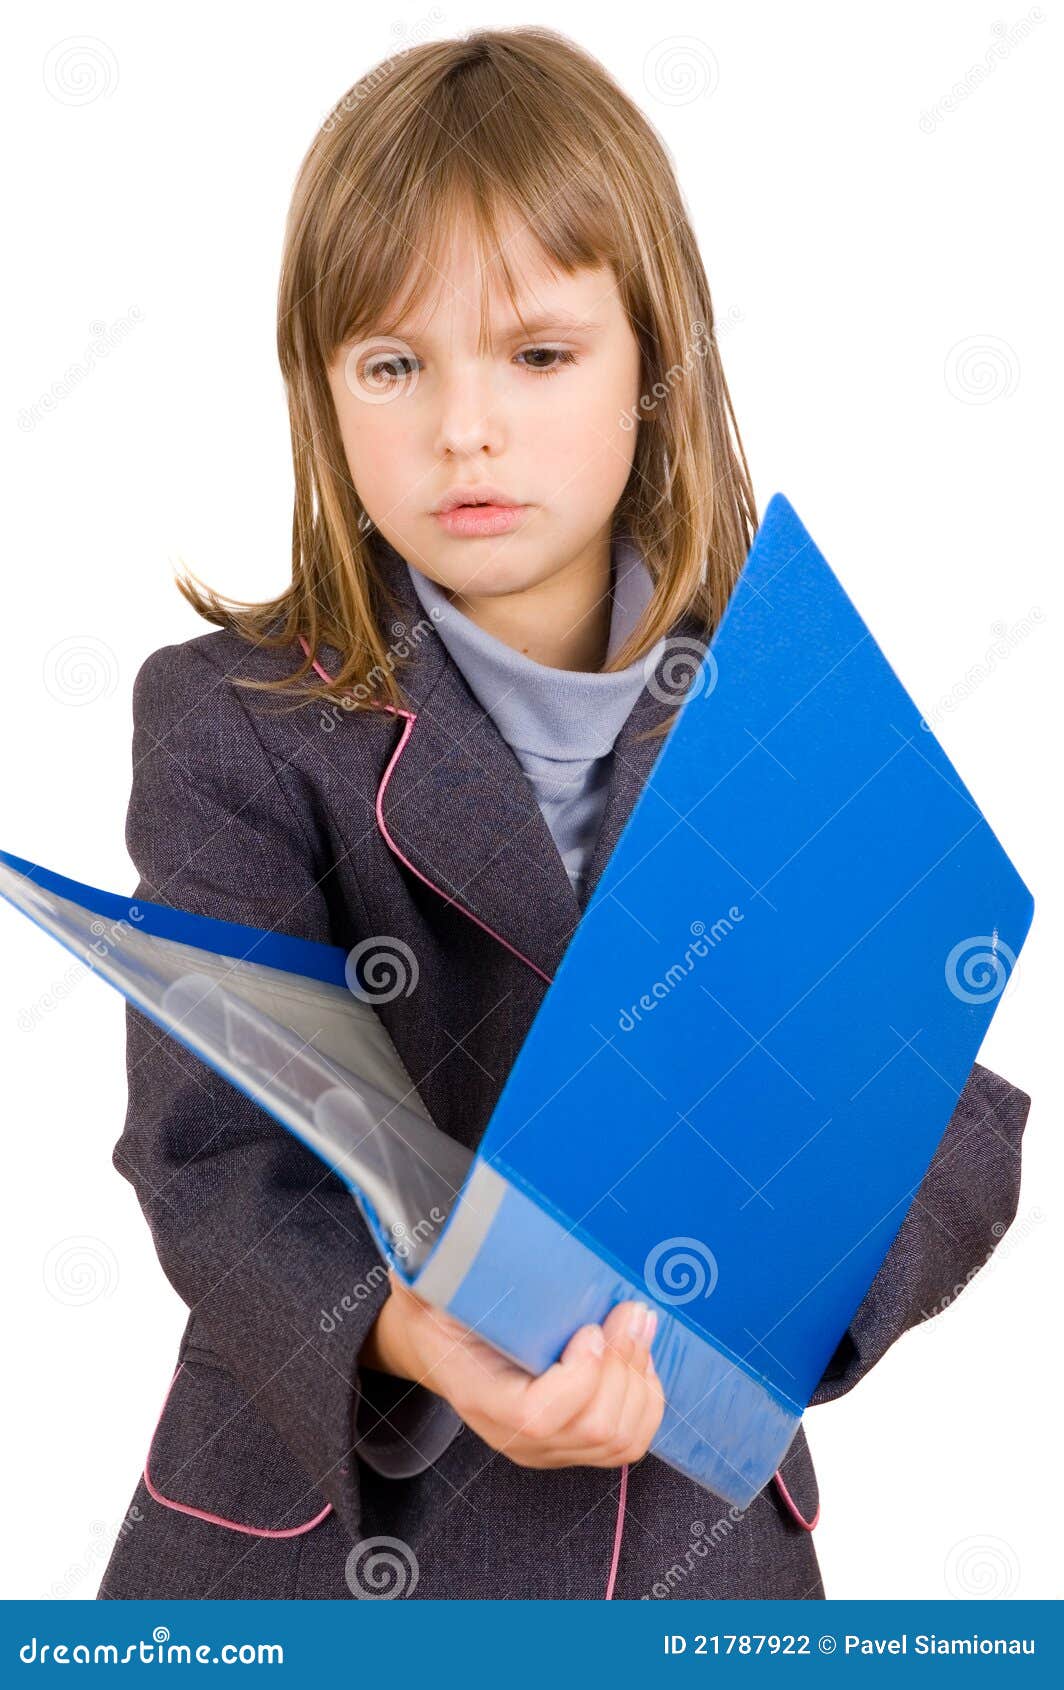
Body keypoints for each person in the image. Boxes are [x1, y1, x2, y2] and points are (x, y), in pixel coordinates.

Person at [98, 27, 1031, 1601]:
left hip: (687, 1551)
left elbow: (943, 1107)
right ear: (322, 395)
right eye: (394, 363)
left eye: (537, 355)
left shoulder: (784, 707)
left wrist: (764, 1314)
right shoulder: (230, 720)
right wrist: (417, 1336)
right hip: (328, 1562)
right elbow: (211, 1157)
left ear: (654, 371)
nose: (464, 426)